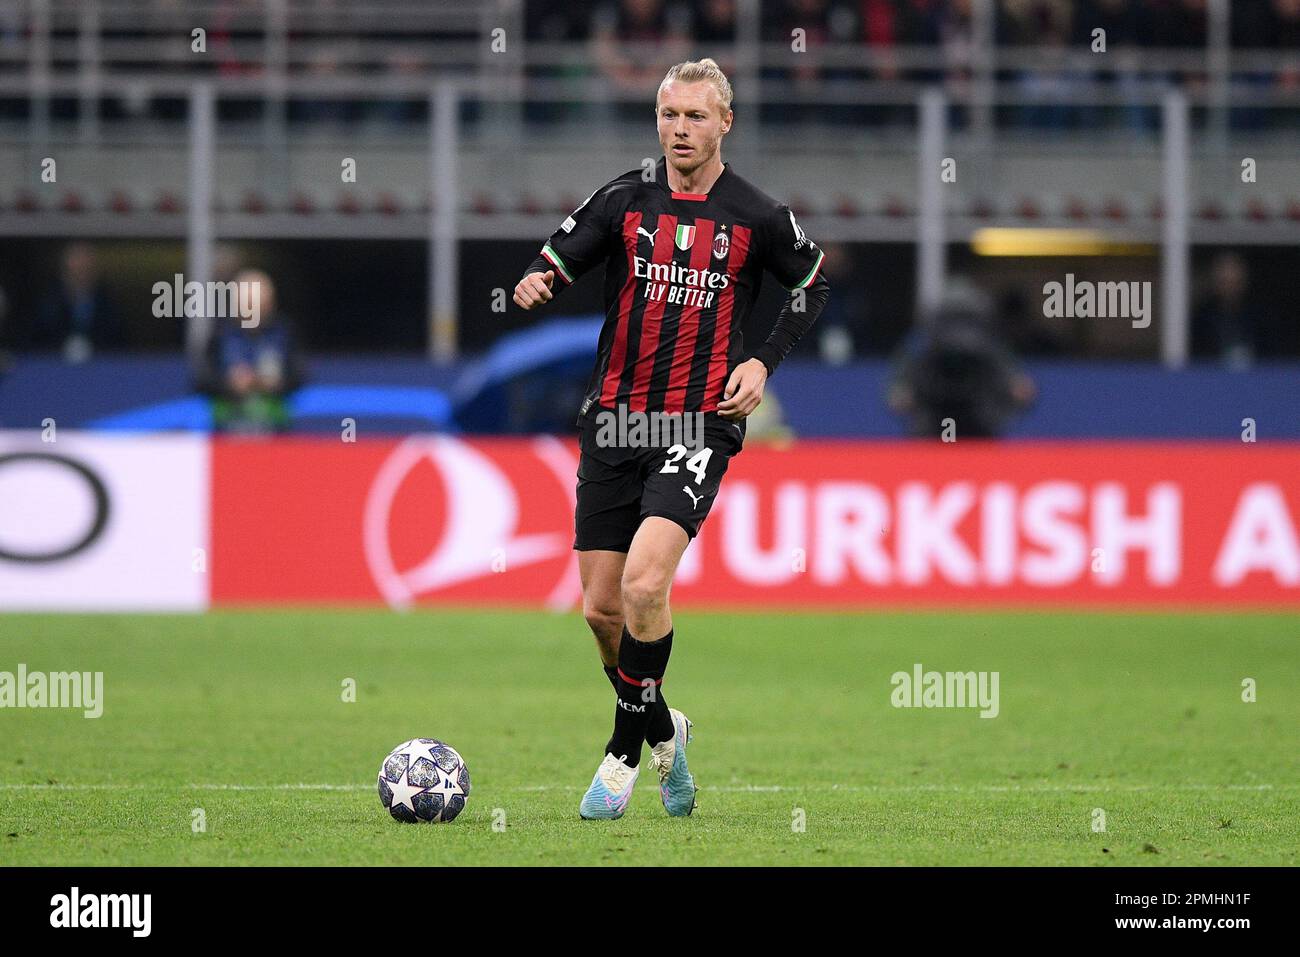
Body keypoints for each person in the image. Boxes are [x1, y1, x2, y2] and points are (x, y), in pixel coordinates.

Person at [510, 58, 830, 820]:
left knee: (646, 585)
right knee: (600, 610)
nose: (680, 129)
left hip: (698, 422)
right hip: (617, 418)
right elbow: (561, 251)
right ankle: (664, 726)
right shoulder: (626, 194)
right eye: (668, 115)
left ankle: (623, 750)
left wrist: (761, 358)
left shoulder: (756, 214)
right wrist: (537, 279)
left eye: (695, 116)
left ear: (726, 123)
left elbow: (811, 282)